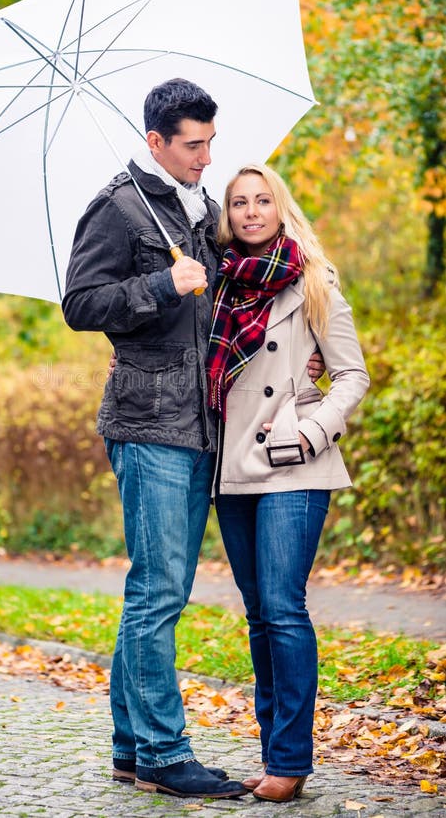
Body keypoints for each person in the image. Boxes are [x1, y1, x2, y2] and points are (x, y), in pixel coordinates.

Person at [62, 79, 323, 799]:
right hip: (149, 423)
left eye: (211, 141)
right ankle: (162, 754)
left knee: (153, 591)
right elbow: (79, 304)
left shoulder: (202, 208)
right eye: (193, 144)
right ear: (156, 141)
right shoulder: (116, 207)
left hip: (205, 424)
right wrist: (157, 286)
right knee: (159, 591)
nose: (208, 157)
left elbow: (235, 306)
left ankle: (128, 746)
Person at [206, 163, 370, 803]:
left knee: (282, 605)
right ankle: (275, 751)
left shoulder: (313, 280)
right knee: (258, 615)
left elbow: (352, 375)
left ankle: (291, 761)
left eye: (262, 200)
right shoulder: (215, 286)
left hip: (292, 463)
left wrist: (310, 429)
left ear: (281, 207)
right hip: (230, 466)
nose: (250, 211)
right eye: (239, 202)